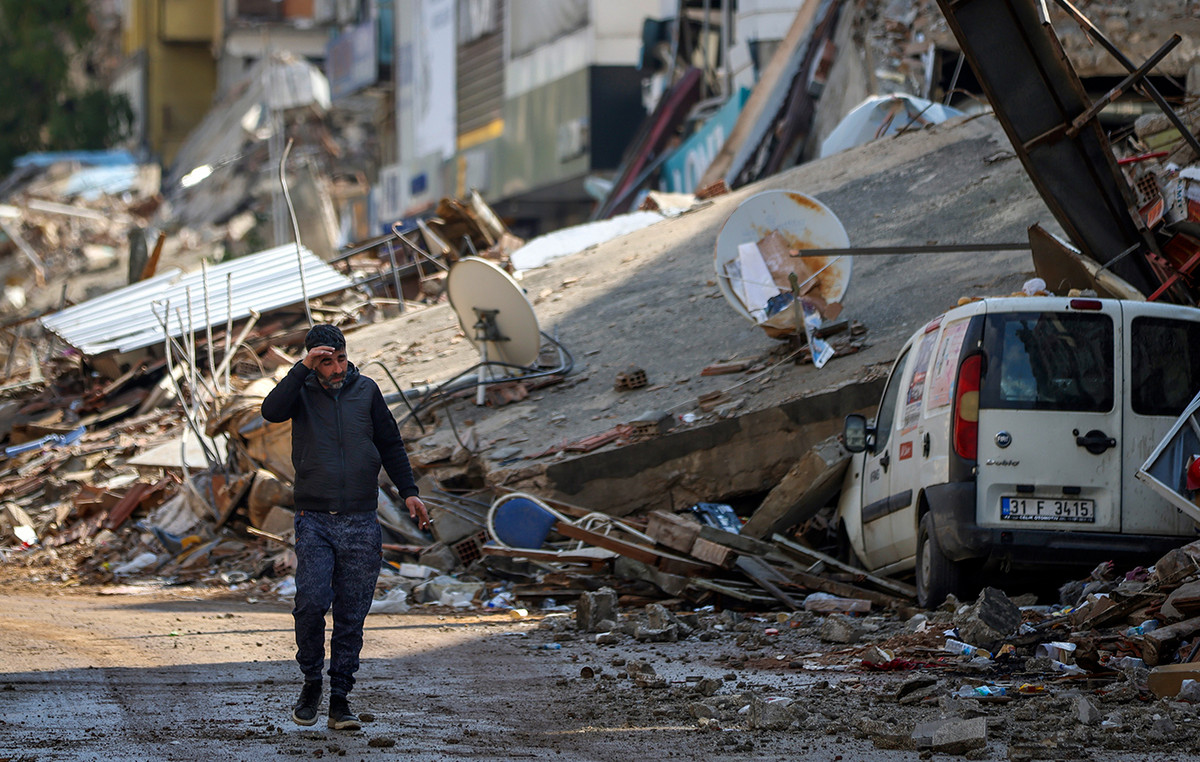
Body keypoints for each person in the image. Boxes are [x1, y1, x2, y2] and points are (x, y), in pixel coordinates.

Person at [261, 324, 429, 730]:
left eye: (340, 358)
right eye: (326, 361)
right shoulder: (299, 390)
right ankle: (311, 683)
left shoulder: (366, 390)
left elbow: (390, 443)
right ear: (312, 360)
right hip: (314, 519)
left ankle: (340, 700)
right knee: (312, 602)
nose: (336, 368)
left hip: (361, 519)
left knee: (352, 614)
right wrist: (301, 369)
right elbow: (270, 411)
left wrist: (409, 491)